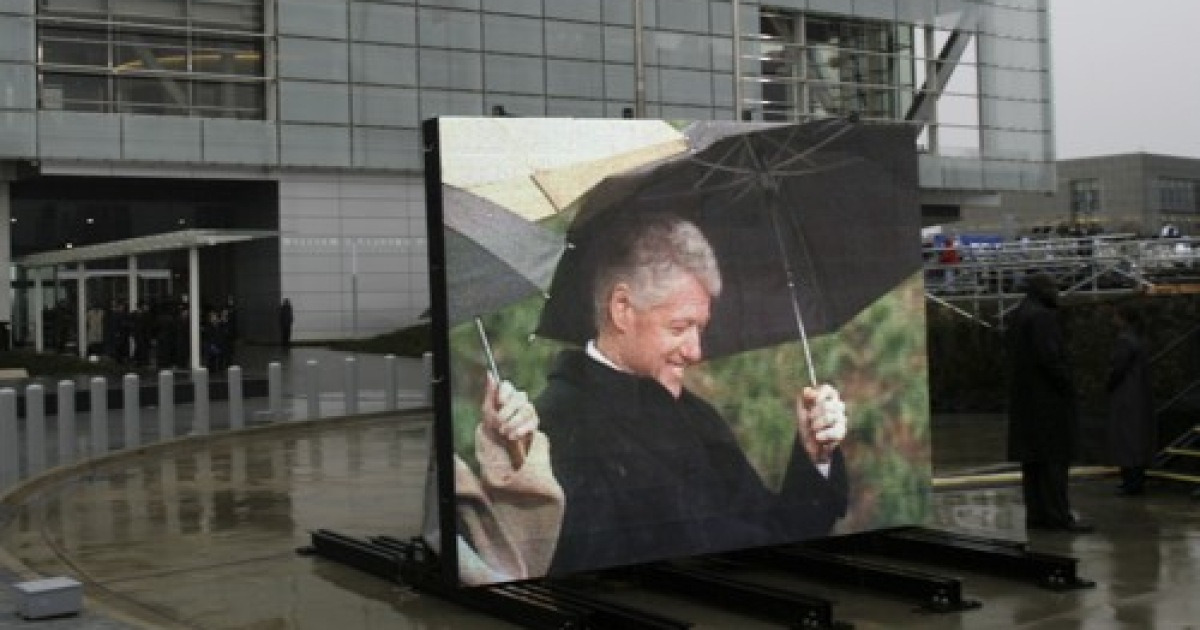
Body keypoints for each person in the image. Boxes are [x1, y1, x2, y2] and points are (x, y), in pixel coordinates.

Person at [489, 213, 850, 575]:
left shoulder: (697, 415)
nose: (695, 351)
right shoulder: (558, 426)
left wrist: (815, 455)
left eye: (700, 328)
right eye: (680, 327)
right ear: (623, 308)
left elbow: (776, 536)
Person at [1005, 273, 1093, 533]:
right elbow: (1050, 359)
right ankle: (1058, 516)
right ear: (1041, 290)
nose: (1057, 292)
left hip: (1025, 403)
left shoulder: (1018, 315)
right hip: (1048, 403)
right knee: (1054, 463)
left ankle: (1037, 515)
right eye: (1053, 287)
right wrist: (1070, 387)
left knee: (1033, 465)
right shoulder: (1042, 317)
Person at [1106, 303, 1155, 496]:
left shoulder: (1125, 340)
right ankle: (1134, 479)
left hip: (1127, 393)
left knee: (1126, 438)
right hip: (1139, 392)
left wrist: (1109, 383)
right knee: (1135, 438)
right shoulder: (1139, 339)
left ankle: (1131, 481)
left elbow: (1118, 367)